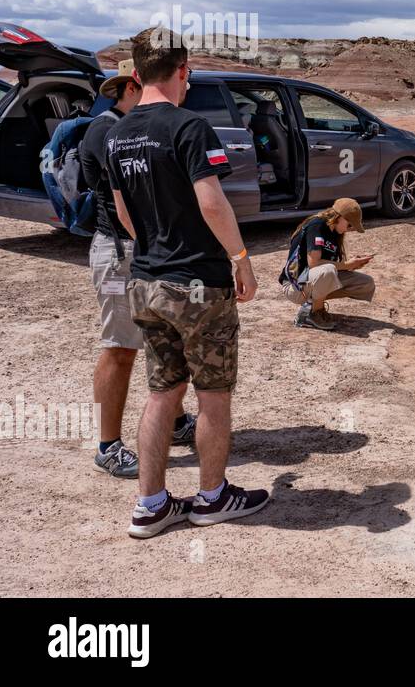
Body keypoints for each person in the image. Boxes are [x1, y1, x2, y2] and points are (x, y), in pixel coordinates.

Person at [106, 35, 268, 539]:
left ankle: (151, 505)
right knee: (213, 394)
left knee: (161, 392)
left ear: (136, 75)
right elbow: (212, 202)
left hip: (147, 280)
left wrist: (155, 249)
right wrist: (240, 258)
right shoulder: (191, 127)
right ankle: (213, 497)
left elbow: (126, 213)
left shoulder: (116, 135)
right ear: (183, 70)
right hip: (198, 283)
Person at [80, 58, 195, 477]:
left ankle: (178, 422)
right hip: (120, 252)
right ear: (134, 87)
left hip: (144, 248)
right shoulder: (107, 131)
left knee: (164, 339)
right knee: (120, 348)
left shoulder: (127, 128)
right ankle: (108, 446)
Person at [280, 197, 376, 330]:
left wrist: (353, 264)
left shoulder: (334, 233)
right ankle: (312, 314)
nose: (350, 229)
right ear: (339, 217)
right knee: (328, 270)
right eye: (349, 225)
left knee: (366, 283)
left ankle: (312, 305)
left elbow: (331, 268)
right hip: (295, 286)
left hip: (311, 281)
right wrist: (347, 265)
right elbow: (314, 263)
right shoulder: (317, 225)